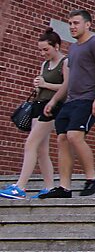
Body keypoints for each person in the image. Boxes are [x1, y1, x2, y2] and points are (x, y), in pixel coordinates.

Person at [39, 10, 95, 198]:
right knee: (62, 139)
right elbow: (68, 81)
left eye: (76, 23)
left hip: (88, 99)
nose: (72, 26)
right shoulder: (73, 48)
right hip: (71, 101)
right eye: (70, 23)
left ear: (87, 24)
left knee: (74, 136)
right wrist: (54, 101)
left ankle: (91, 179)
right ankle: (64, 187)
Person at [0, 30, 67, 199]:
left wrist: (46, 84)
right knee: (41, 149)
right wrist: (38, 86)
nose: (43, 53)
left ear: (56, 46)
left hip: (52, 106)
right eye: (41, 50)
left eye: (46, 49)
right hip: (38, 105)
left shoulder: (65, 62)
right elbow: (42, 85)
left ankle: (20, 187)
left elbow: (68, 87)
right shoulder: (45, 64)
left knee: (30, 143)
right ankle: (49, 186)